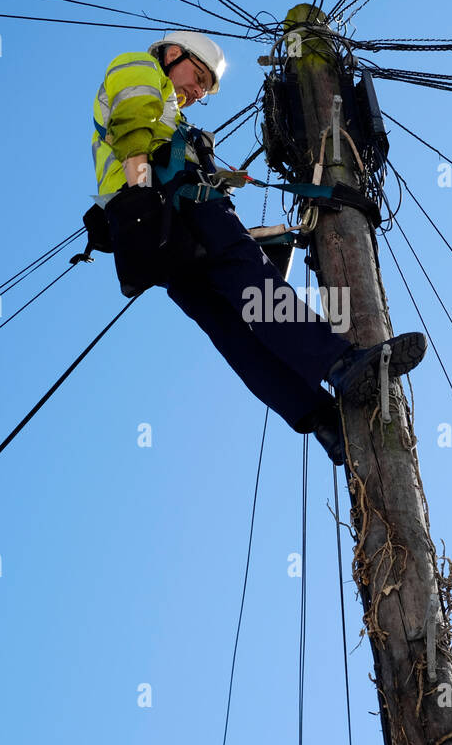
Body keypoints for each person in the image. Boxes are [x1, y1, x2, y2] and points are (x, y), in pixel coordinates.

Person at [89, 31, 427, 464]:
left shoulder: (171, 115)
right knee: (252, 281)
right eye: (199, 76)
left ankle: (322, 421)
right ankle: (340, 365)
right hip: (172, 205)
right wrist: (146, 194)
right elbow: (133, 122)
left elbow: (147, 139)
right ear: (174, 54)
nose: (198, 91)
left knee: (231, 330)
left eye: (205, 88)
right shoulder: (139, 66)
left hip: (155, 241)